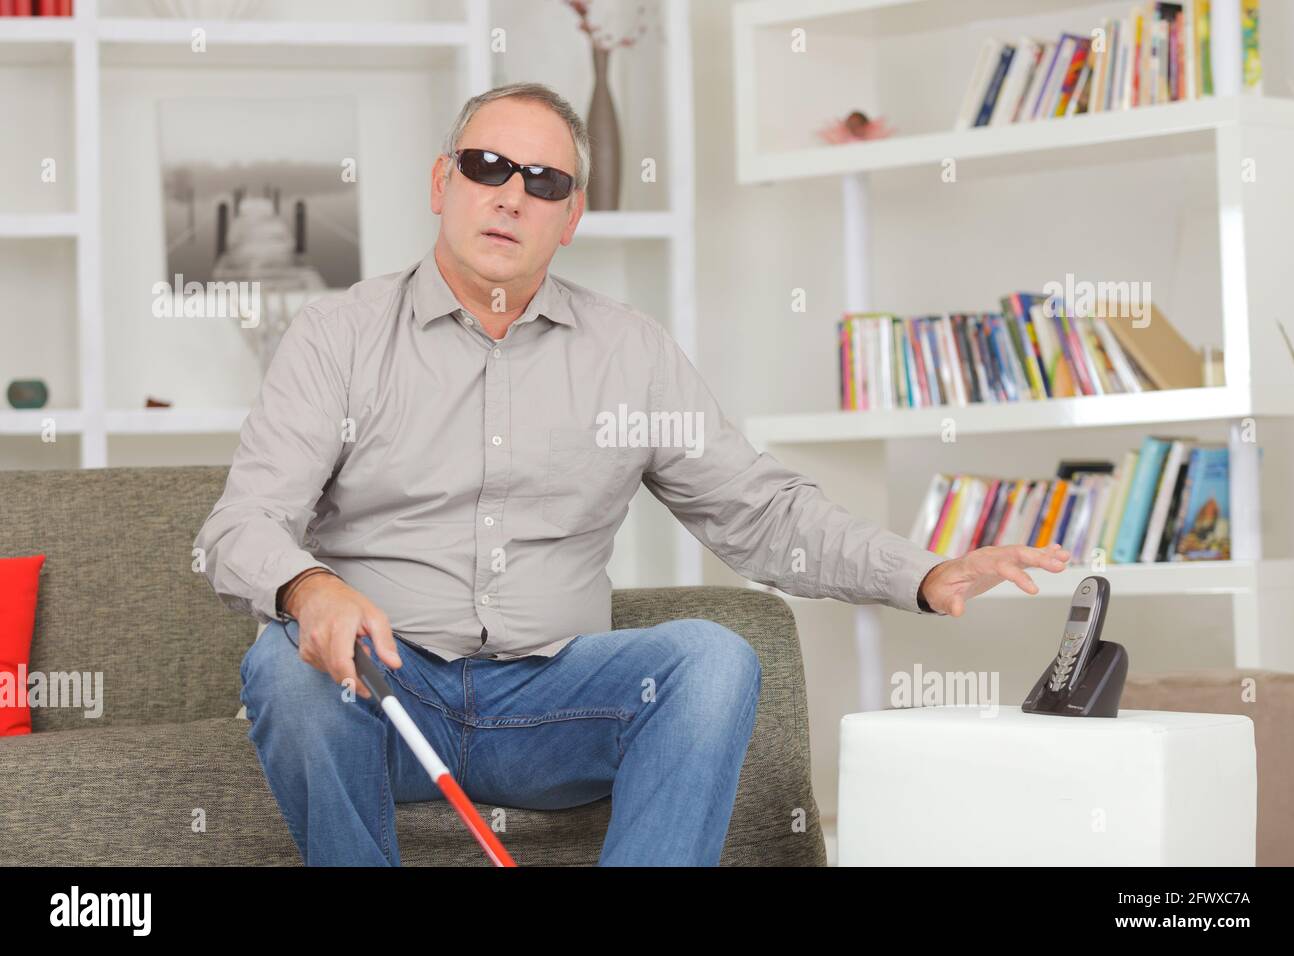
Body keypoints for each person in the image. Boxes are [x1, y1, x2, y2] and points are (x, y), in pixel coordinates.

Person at [194, 81, 1071, 866]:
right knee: (283, 669)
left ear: (571, 217)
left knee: (713, 658)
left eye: (544, 182)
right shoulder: (337, 335)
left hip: (554, 708)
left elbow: (760, 514)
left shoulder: (630, 353)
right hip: (384, 697)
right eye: (487, 166)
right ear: (441, 184)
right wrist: (310, 590)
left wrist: (919, 572)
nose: (511, 196)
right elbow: (240, 527)